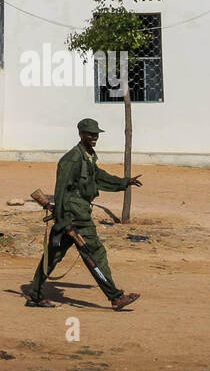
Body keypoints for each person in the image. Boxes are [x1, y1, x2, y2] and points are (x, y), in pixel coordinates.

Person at [27, 118, 142, 310]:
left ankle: (35, 295)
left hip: (77, 214)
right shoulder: (72, 159)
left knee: (53, 256)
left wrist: (124, 182)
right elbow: (61, 191)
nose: (94, 137)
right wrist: (64, 221)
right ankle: (115, 297)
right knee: (95, 254)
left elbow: (99, 177)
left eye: (96, 134)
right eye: (90, 134)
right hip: (74, 217)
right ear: (81, 134)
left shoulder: (88, 156)